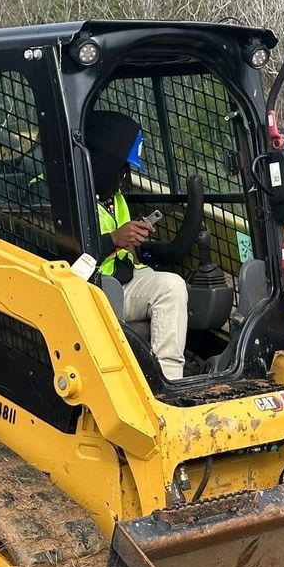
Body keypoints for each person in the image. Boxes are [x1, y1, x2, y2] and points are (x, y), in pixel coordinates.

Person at [85, 111, 188, 380]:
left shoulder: (113, 197)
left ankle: (172, 375)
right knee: (167, 288)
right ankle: (162, 380)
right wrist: (114, 240)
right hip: (90, 289)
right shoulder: (53, 194)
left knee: (173, 284)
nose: (126, 177)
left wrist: (133, 239)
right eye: (122, 167)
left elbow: (126, 252)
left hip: (123, 277)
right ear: (103, 162)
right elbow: (59, 254)